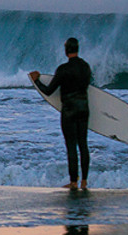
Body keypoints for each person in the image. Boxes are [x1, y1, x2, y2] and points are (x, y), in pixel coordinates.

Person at [29, 37, 93, 190]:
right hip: (84, 108)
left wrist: (36, 81)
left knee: (71, 146)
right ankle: (84, 181)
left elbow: (49, 91)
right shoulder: (86, 67)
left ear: (66, 51)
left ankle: (73, 182)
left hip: (69, 110)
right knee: (83, 144)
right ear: (77, 49)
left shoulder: (63, 69)